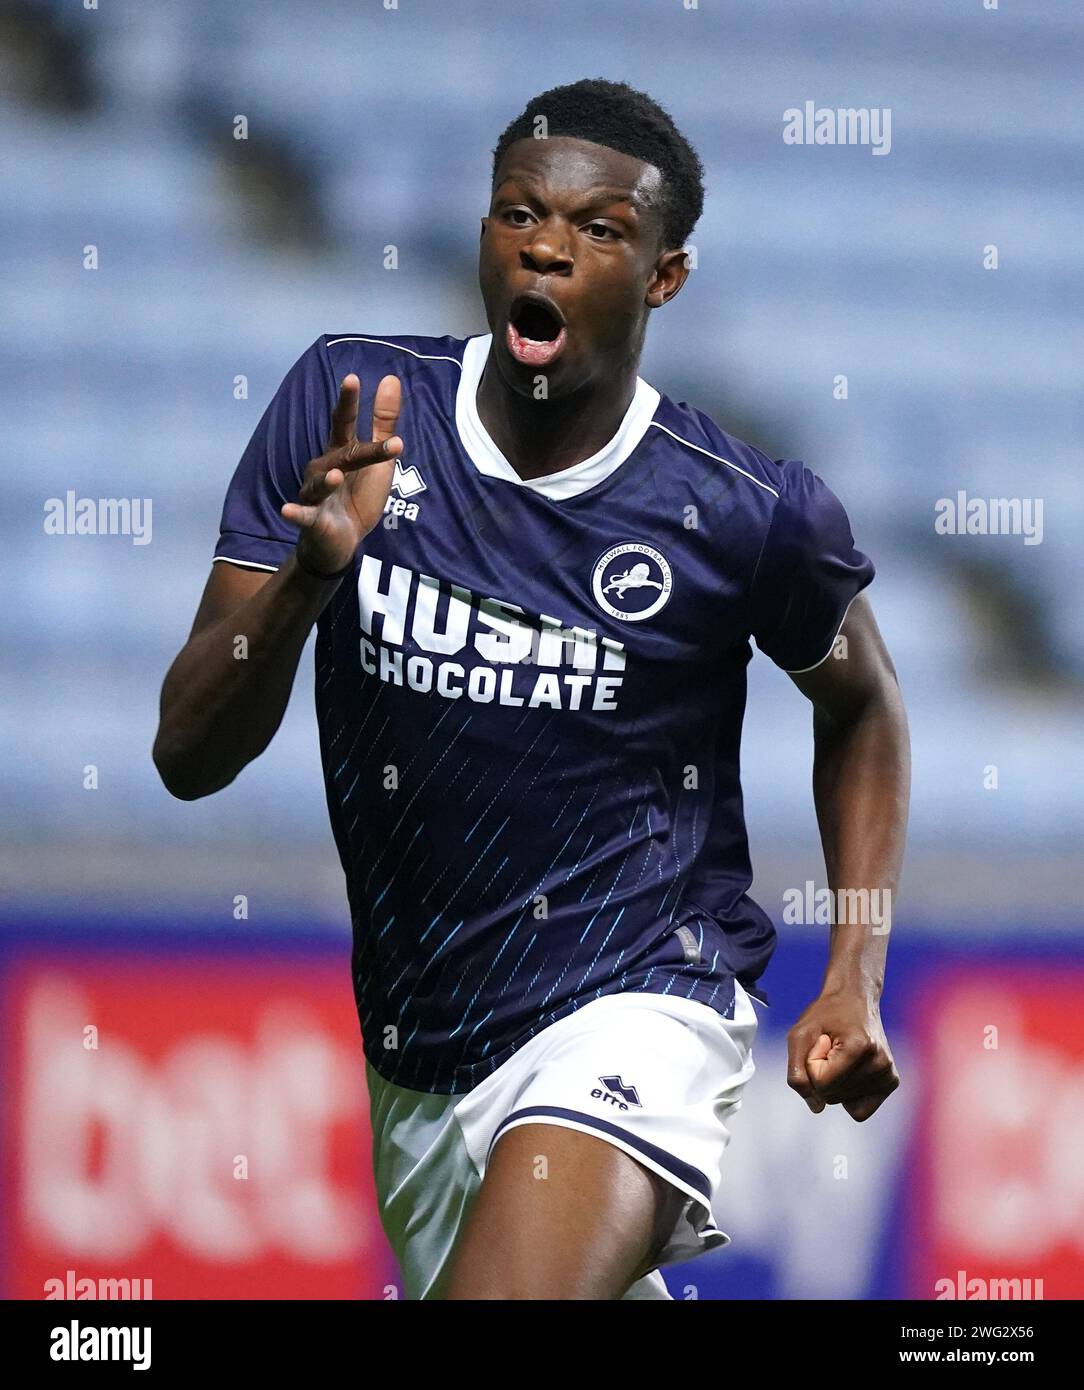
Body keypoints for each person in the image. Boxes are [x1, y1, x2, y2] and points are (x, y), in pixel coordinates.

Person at [154, 78, 910, 1300]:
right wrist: (305, 579)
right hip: (420, 1057)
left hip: (637, 996)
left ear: (663, 277)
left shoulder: (739, 510)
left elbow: (864, 701)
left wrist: (854, 968)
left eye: (600, 229)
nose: (547, 244)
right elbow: (187, 755)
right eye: (518, 213)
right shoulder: (352, 409)